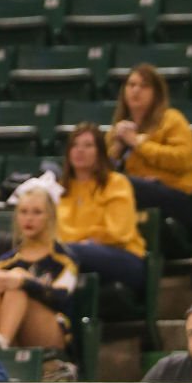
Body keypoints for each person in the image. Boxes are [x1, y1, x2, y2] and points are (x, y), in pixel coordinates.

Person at [0, 176, 80, 352]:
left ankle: (2, 344)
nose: (29, 218)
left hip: (52, 333)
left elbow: (62, 295)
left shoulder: (65, 258)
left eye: (37, 212)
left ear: (50, 216)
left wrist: (24, 282)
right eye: (23, 212)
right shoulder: (5, 260)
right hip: (15, 331)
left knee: (17, 284)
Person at [106, 64, 192, 236]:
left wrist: (138, 144)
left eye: (144, 86)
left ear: (156, 93)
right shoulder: (118, 129)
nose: (136, 90)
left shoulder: (172, 120)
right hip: (138, 193)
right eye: (131, 85)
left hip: (176, 194)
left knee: (123, 183)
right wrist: (117, 149)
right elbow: (103, 170)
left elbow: (183, 159)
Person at [55, 123, 146, 295]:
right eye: (75, 145)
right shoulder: (60, 189)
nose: (80, 150)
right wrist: (84, 240)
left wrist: (79, 242)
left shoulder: (116, 183)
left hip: (123, 257)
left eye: (88, 145)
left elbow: (118, 233)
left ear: (100, 152)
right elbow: (53, 232)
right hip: (73, 253)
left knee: (63, 251)